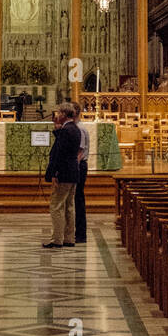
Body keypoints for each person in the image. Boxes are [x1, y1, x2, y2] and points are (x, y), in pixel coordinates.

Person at [43, 104, 81, 249]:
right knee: (69, 206)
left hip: (63, 172)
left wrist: (54, 173)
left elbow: (59, 154)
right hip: (72, 171)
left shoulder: (66, 130)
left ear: (64, 114)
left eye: (59, 112)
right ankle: (69, 238)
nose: (56, 115)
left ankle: (57, 239)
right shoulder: (75, 128)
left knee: (56, 205)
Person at [73, 102, 89, 244]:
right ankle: (77, 232)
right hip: (78, 165)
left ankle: (81, 234)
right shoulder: (76, 127)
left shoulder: (79, 129)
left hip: (79, 166)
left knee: (78, 199)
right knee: (77, 199)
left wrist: (72, 167)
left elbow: (80, 151)